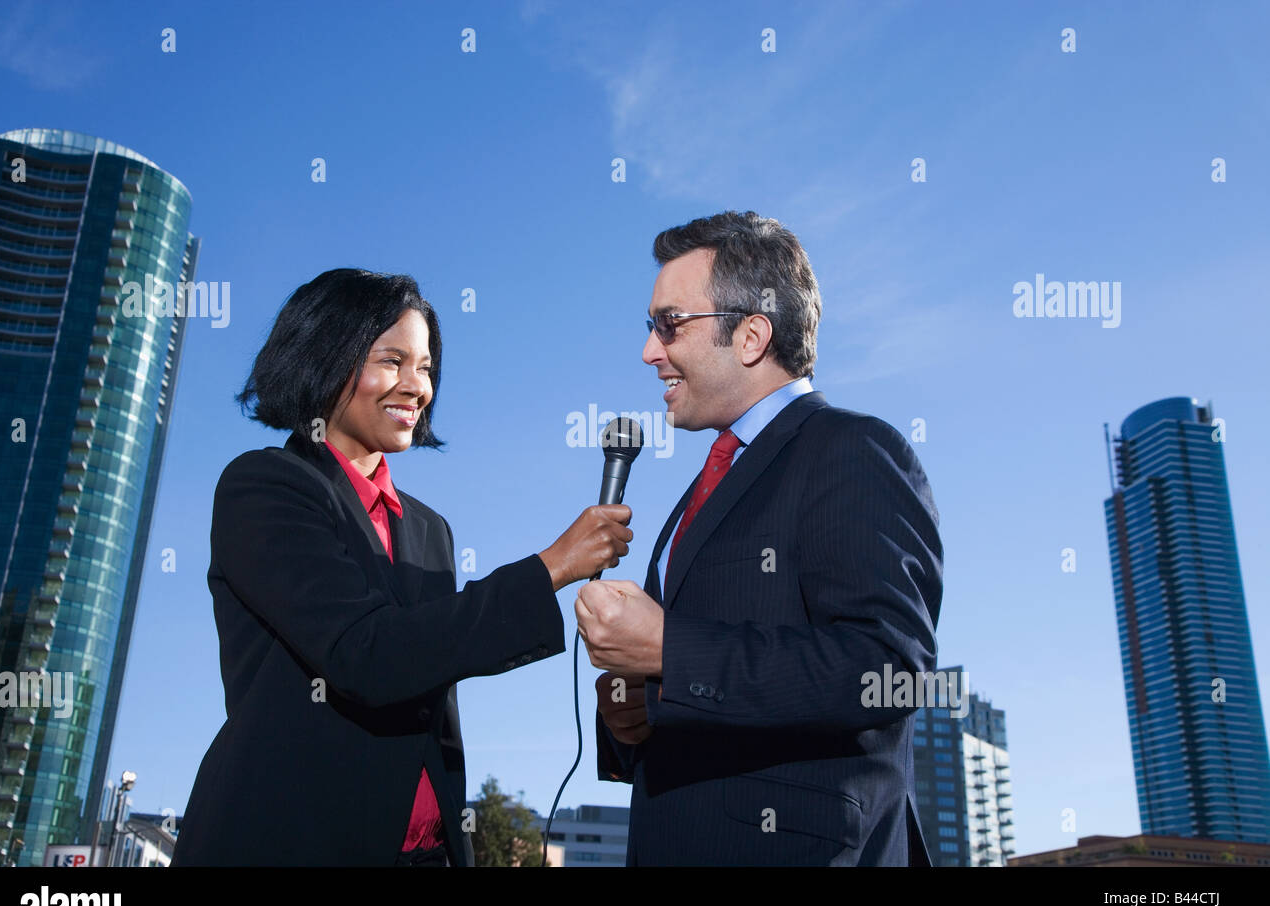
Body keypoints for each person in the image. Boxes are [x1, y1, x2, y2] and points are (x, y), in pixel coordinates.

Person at [173, 268, 631, 866]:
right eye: (393, 361)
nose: (417, 386)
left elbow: (433, 693)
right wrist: (551, 568)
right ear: (325, 356)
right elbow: (365, 654)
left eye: (427, 368)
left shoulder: (428, 528)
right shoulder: (264, 487)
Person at [576, 212, 944, 865]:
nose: (649, 352)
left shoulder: (850, 451)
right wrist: (637, 711)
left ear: (750, 335)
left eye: (670, 325)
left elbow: (888, 672)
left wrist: (668, 650)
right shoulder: (703, 490)